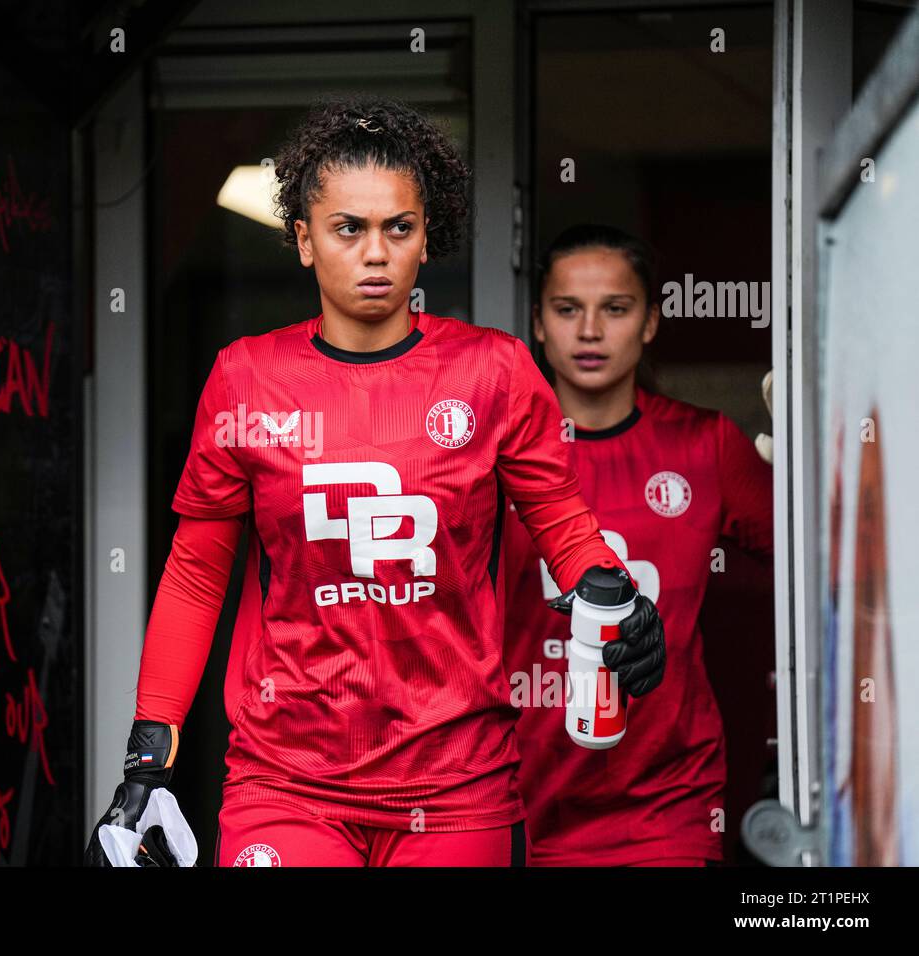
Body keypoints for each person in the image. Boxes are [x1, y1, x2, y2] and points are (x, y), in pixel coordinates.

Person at [84, 99, 666, 868]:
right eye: (347, 228)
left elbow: (562, 522)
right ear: (303, 240)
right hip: (286, 783)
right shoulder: (245, 379)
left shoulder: (492, 372)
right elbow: (196, 576)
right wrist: (147, 758)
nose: (376, 253)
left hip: (458, 786)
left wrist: (617, 597)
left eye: (400, 227)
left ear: (427, 239)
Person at [501, 224, 774, 866]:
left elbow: (828, 555)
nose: (589, 331)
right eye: (567, 309)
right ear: (538, 322)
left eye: (615, 309)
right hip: (519, 795)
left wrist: (816, 454)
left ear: (650, 322)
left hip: (666, 800)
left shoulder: (704, 445)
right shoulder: (499, 456)